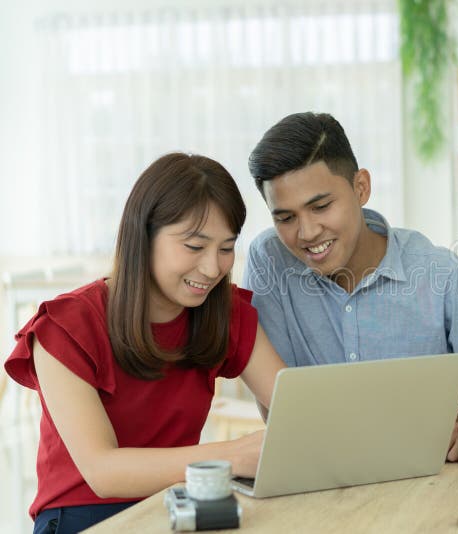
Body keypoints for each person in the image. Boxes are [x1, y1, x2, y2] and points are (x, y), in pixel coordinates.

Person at [4, 153, 287, 533]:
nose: (212, 268)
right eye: (194, 245)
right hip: (82, 517)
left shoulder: (224, 313)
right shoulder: (66, 326)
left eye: (225, 248)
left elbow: (297, 411)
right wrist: (234, 456)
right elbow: (103, 471)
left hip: (178, 506)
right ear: (144, 235)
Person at [242, 112, 458, 461]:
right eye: (285, 217)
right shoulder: (270, 259)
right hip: (322, 474)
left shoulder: (442, 273)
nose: (307, 232)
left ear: (361, 188)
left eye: (321, 206)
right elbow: (275, 408)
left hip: (432, 483)